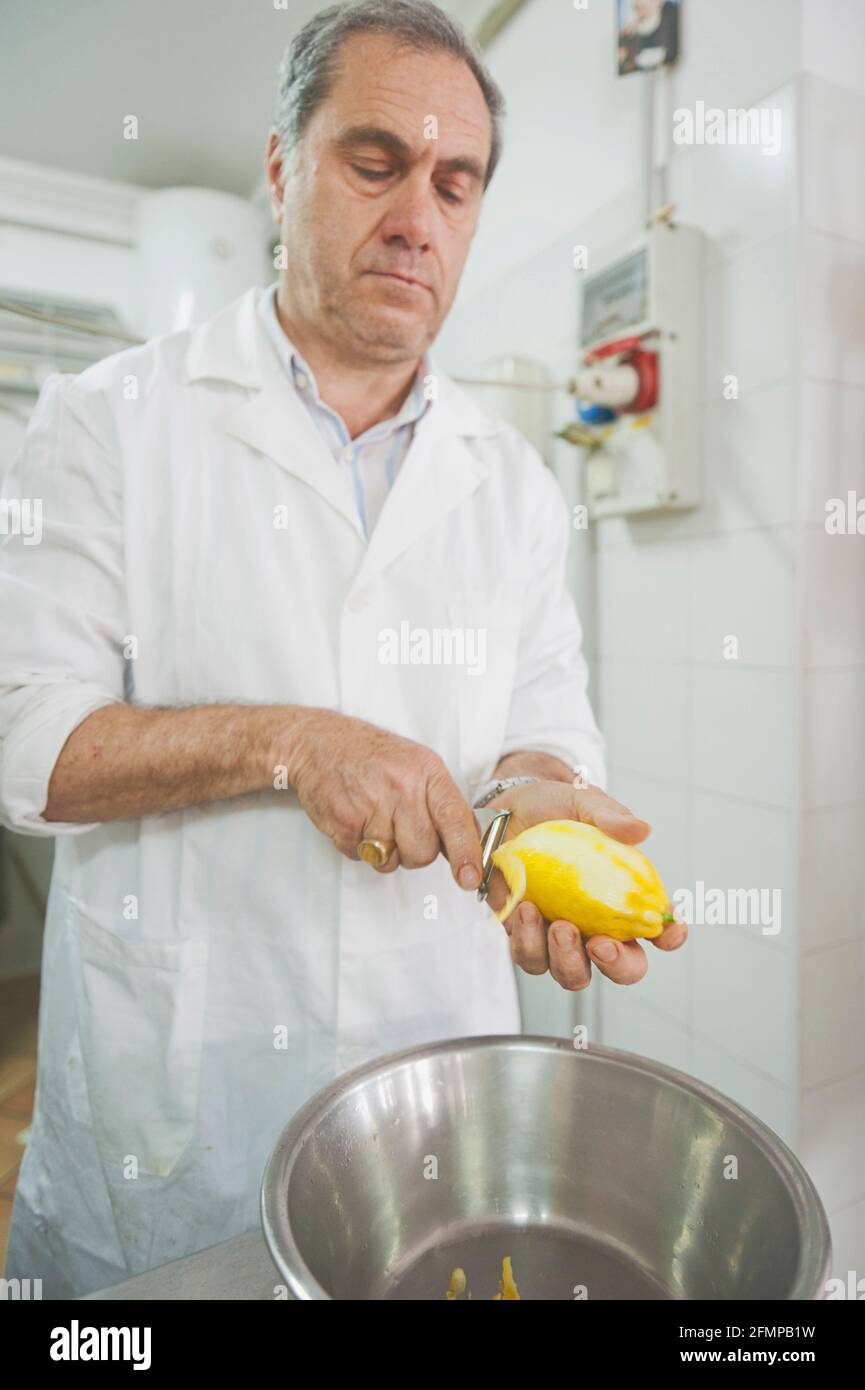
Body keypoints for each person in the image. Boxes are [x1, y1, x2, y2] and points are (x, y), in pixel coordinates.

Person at [0, 0, 686, 1298]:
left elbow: (545, 717)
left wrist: (538, 783)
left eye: (455, 181)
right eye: (374, 161)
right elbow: (26, 743)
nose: (417, 214)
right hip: (178, 1113)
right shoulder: (110, 424)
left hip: (429, 1097)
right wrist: (289, 741)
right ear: (280, 167)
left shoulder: (514, 484)